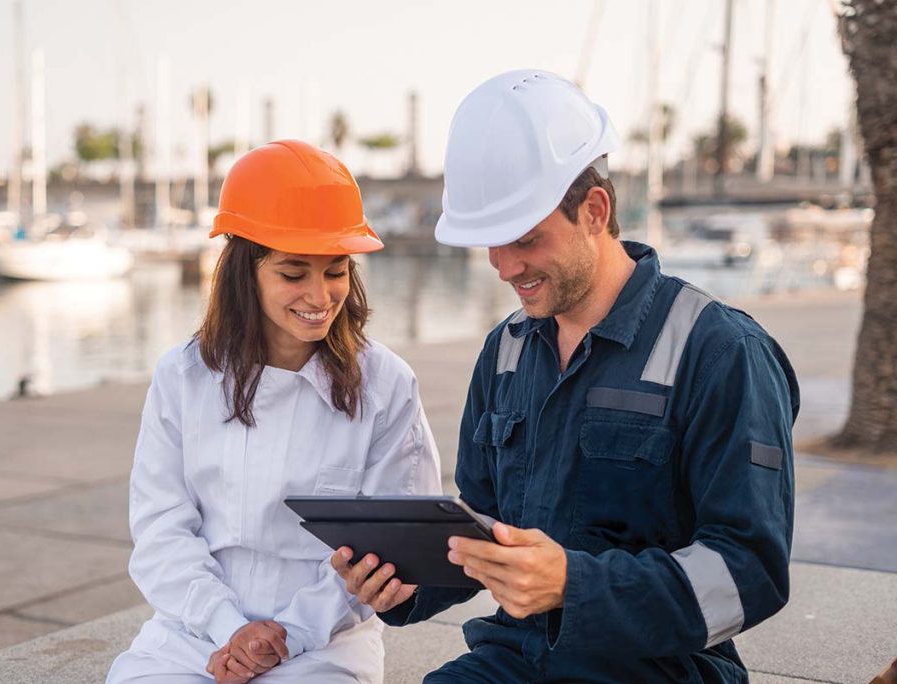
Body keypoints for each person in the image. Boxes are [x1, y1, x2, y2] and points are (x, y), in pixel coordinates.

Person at [332, 70, 800, 683]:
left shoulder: (721, 352)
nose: (504, 268)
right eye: (491, 246)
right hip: (516, 659)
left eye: (524, 240)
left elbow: (751, 573)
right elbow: (484, 530)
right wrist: (408, 583)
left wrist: (573, 586)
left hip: (664, 669)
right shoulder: (505, 350)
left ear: (595, 211)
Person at [107, 140, 442, 684]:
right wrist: (227, 628)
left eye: (336, 271)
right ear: (246, 270)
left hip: (324, 642)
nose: (321, 294)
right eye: (293, 273)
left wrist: (288, 635)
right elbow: (161, 529)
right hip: (192, 634)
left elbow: (390, 546)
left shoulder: (387, 385)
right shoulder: (183, 376)